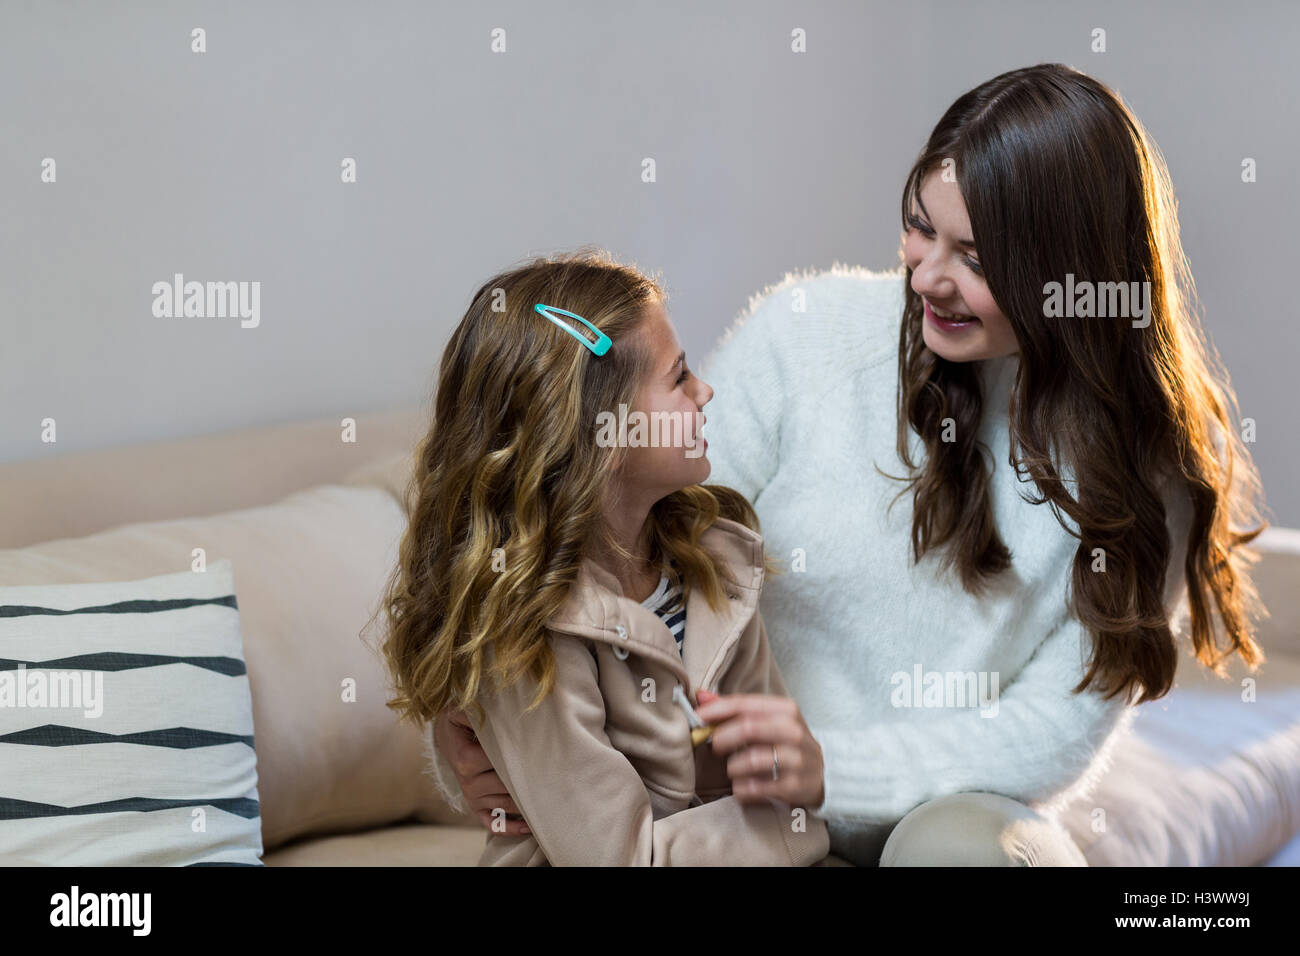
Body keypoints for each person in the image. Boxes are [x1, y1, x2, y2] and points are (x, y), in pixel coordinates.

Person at [430, 64, 1270, 866]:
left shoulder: (1148, 469)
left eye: (976, 259)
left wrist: (829, 772)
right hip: (730, 810)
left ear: (1071, 271)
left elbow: (1052, 728)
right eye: (919, 227)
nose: (928, 278)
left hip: (948, 808)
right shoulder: (808, 335)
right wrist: (485, 744)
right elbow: (608, 544)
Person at [379, 250, 829, 865]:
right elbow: (624, 859)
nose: (706, 391)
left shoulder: (716, 562)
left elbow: (774, 777)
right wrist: (793, 828)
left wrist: (798, 782)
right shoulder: (526, 632)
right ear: (604, 435)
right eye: (679, 377)